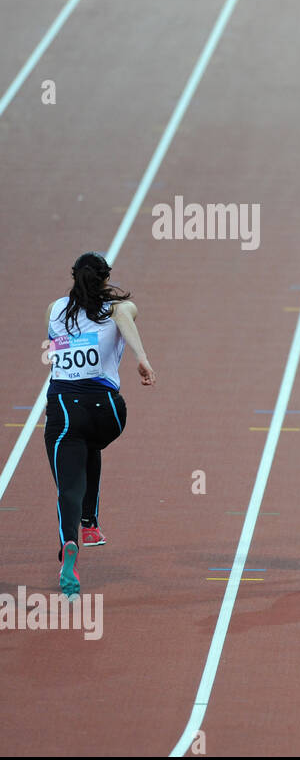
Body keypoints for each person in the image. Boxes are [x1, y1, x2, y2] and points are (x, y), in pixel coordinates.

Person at [44, 252, 156, 597]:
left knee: (68, 488)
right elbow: (125, 315)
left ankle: (71, 544)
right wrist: (141, 357)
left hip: (63, 406)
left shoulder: (56, 309)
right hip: (107, 411)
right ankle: (91, 525)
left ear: (73, 276)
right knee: (90, 441)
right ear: (106, 279)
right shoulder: (118, 307)